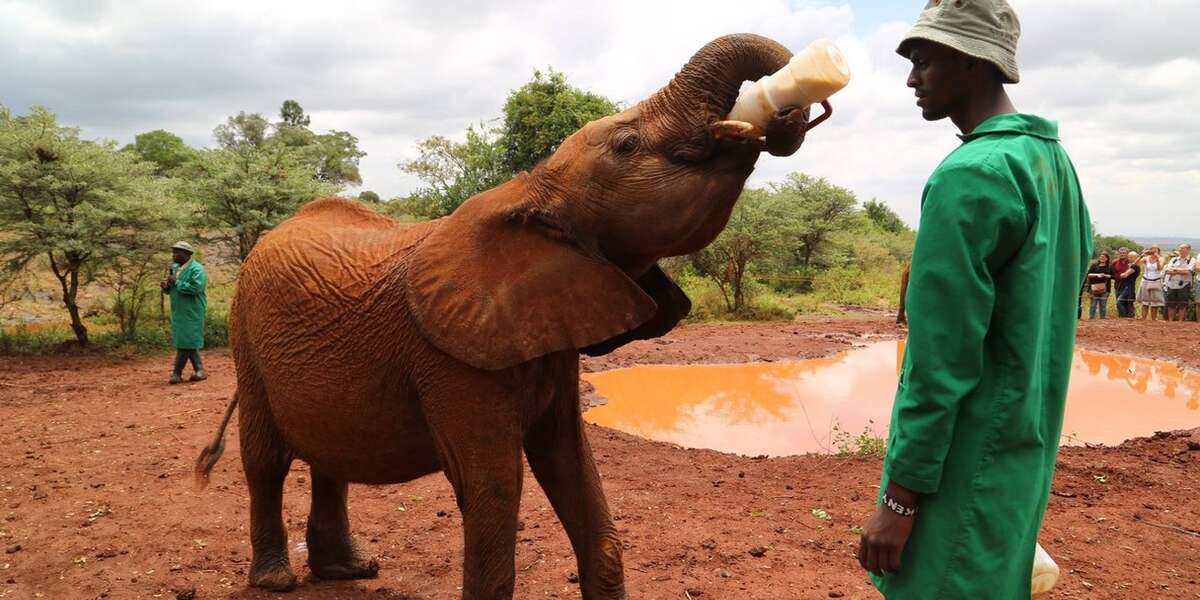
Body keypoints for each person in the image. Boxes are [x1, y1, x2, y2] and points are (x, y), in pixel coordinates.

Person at [857, 2, 1091, 598]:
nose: (911, 79)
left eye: (923, 61)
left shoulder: (971, 174)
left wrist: (900, 500)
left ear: (972, 61)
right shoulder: (1052, 164)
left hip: (957, 470)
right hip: (1017, 457)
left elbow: (941, 361)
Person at [160, 241, 208, 384]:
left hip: (192, 310)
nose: (173, 255)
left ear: (187, 254)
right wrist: (166, 286)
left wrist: (177, 282)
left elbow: (196, 288)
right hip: (179, 310)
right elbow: (172, 289)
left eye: (177, 252)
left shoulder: (197, 269)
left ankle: (177, 373)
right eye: (173, 252)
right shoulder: (174, 268)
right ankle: (200, 370)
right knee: (187, 340)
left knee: (186, 340)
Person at [1164, 243, 1196, 321]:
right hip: (1171, 284)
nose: (1180, 250)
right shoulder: (1174, 259)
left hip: (1184, 284)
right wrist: (1182, 270)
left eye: (1182, 248)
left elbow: (1188, 272)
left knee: (1183, 304)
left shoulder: (1192, 260)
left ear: (1188, 250)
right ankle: (1170, 321)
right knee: (1170, 304)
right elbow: (1167, 271)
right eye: (1179, 248)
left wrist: (1175, 269)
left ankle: (1180, 322)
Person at [1137, 245, 1165, 320]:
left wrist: (1157, 259)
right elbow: (1136, 264)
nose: (1153, 252)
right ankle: (1143, 318)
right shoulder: (1146, 258)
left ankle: (1153, 319)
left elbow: (1160, 268)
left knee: (1155, 303)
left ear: (1158, 252)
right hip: (1145, 280)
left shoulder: (1161, 258)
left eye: (1155, 251)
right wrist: (1141, 255)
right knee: (1145, 301)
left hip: (1156, 281)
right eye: (1152, 250)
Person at [1086, 252, 1114, 319]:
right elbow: (1088, 274)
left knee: (1103, 305)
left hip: (1105, 289)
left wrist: (1105, 275)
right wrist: (1097, 275)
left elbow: (1113, 276)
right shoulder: (1094, 265)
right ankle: (1091, 319)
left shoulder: (1110, 267)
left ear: (1107, 259)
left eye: (1104, 257)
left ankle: (1102, 319)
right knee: (1093, 304)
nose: (1102, 258)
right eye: (1101, 257)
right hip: (1093, 288)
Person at [1116, 250, 1141, 318]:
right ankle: (1125, 317)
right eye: (1129, 257)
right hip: (1124, 286)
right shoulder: (1131, 265)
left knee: (1120, 302)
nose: (1129, 258)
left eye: (1131, 257)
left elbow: (1125, 275)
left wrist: (1121, 274)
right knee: (1125, 303)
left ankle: (1125, 317)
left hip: (1129, 286)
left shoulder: (1135, 267)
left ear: (1135, 258)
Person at [1111, 248, 1133, 317]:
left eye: (1124, 253)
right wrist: (1120, 276)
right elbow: (1112, 274)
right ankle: (1121, 318)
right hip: (1118, 285)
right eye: (1121, 253)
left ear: (1127, 254)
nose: (1122, 254)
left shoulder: (1131, 262)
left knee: (1128, 303)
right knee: (1119, 303)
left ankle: (1129, 318)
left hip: (1129, 286)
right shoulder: (1114, 262)